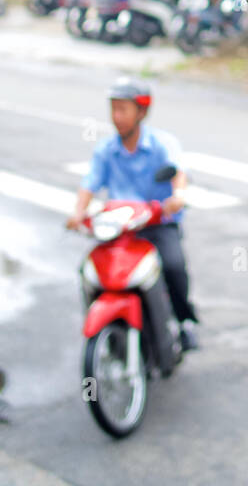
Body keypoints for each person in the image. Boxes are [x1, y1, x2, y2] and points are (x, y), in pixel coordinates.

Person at [66, 76, 200, 350]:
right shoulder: (106, 149)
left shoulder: (162, 143)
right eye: (113, 109)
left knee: (173, 266)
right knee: (90, 270)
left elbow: (179, 172)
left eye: (123, 109)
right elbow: (89, 184)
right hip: (120, 229)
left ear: (141, 112)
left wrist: (178, 197)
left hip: (156, 223)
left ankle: (185, 322)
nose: (117, 116)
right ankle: (103, 325)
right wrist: (78, 213)